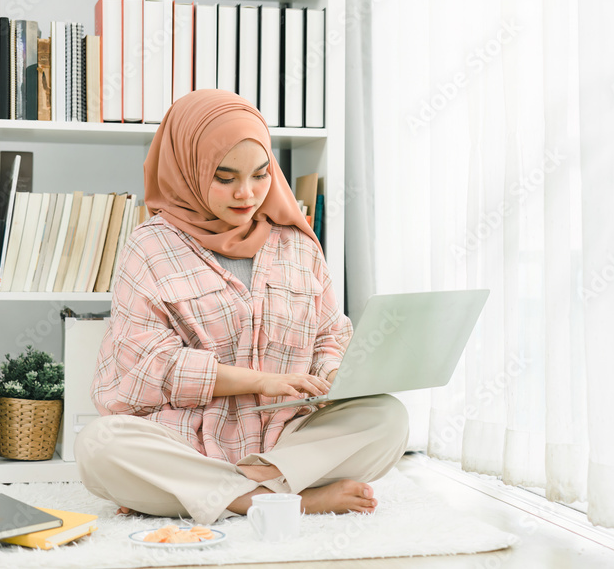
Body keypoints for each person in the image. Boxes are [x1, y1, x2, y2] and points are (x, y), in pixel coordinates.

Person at [74, 90, 409, 525]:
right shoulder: (150, 246)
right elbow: (147, 366)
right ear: (188, 170)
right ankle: (288, 500)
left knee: (388, 417)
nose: (246, 193)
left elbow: (330, 333)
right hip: (184, 437)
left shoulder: (296, 244)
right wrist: (262, 381)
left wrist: (331, 375)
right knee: (100, 445)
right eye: (225, 176)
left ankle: (210, 491)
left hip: (287, 438)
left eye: (261, 174)